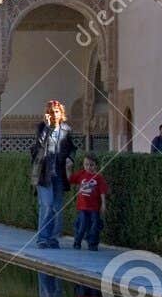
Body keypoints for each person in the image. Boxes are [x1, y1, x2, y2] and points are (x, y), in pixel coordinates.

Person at [30, 99, 75, 249]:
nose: (54, 114)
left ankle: (53, 239)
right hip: (44, 175)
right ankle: (42, 238)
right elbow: (38, 147)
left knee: (57, 207)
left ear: (61, 113)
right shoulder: (42, 128)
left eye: (56, 112)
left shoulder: (66, 130)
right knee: (47, 205)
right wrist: (48, 128)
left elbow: (71, 148)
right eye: (50, 112)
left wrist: (70, 158)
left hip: (59, 175)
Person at [69, 152, 110, 252]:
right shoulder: (81, 174)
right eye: (86, 164)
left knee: (94, 225)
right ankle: (77, 241)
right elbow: (70, 179)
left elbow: (102, 191)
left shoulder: (98, 177)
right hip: (82, 207)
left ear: (96, 165)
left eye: (91, 165)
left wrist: (103, 204)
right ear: (83, 164)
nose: (89, 167)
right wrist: (68, 169)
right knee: (82, 225)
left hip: (94, 207)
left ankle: (92, 243)